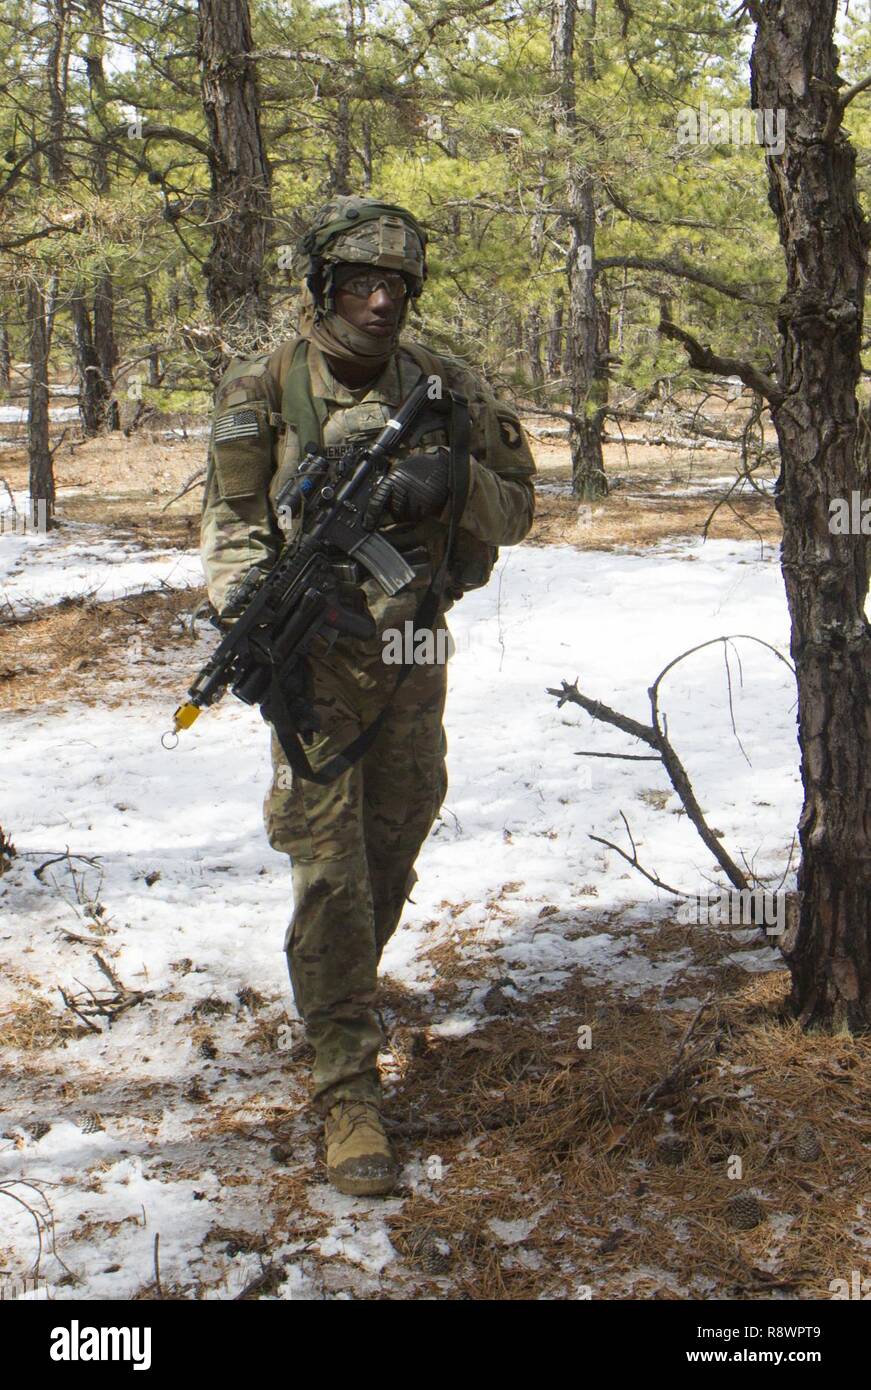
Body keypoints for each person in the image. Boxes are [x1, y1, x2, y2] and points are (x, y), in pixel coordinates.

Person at [200, 196, 536, 1195]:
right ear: (323, 287)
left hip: (417, 645)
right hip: (314, 660)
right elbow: (229, 514)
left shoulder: (445, 385)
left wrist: (451, 481)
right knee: (330, 867)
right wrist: (246, 607)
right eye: (359, 283)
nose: (380, 302)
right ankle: (347, 1083)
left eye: (395, 285)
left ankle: (333, 985)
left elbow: (519, 509)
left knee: (396, 838)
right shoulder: (264, 382)